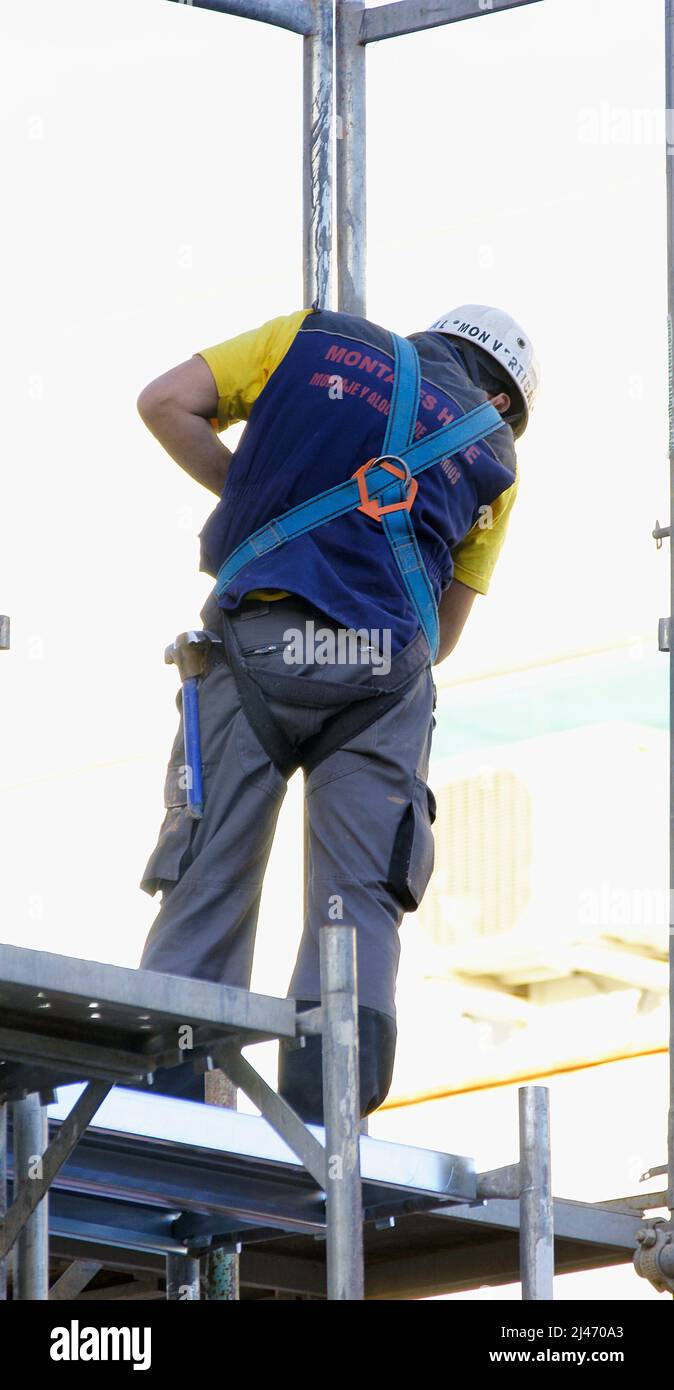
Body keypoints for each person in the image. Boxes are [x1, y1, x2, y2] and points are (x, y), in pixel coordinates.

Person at [135, 303, 539, 1122]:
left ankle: (175, 1105)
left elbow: (163, 402)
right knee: (356, 904)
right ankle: (327, 1126)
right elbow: (444, 632)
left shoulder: (309, 339)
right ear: (506, 403)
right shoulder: (495, 457)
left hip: (258, 646)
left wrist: (264, 502)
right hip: (378, 676)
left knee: (209, 875)